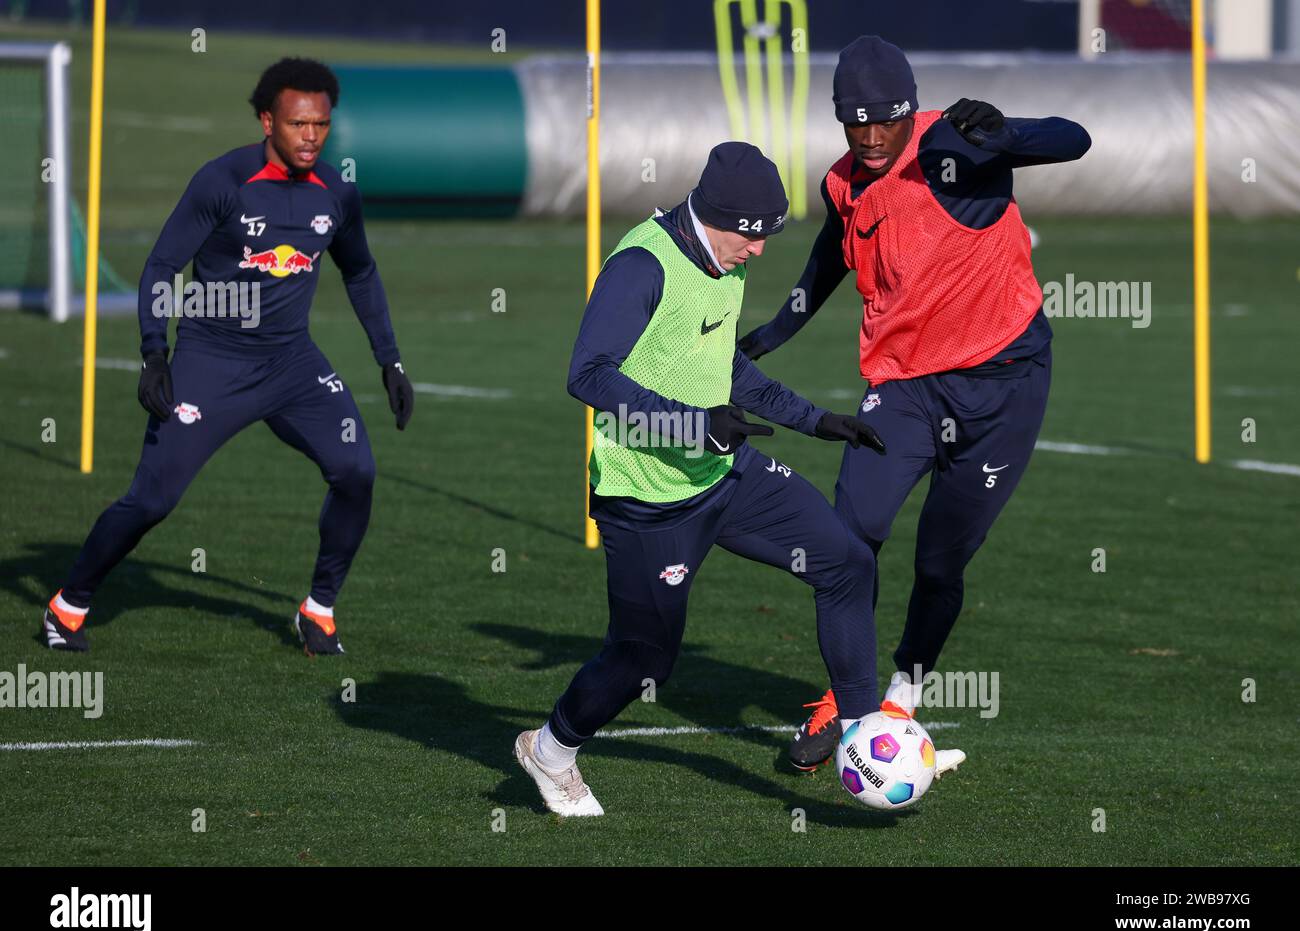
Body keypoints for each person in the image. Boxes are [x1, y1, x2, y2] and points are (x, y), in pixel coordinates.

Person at [513, 141, 963, 817]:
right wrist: (695, 427)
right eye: (751, 236)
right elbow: (587, 373)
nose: (757, 252)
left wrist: (819, 421)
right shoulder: (642, 265)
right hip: (648, 501)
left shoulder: (726, 257)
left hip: (726, 475)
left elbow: (728, 367)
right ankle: (548, 752)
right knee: (643, 661)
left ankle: (867, 734)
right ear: (713, 213)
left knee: (844, 561)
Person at [738, 36, 1091, 770]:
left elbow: (1075, 138)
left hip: (1003, 386)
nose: (870, 136)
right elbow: (832, 253)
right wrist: (772, 333)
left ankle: (905, 689)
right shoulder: (845, 179)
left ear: (910, 110)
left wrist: (1009, 134)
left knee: (939, 562)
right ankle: (848, 698)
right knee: (847, 536)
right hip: (903, 385)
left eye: (885, 120)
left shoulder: (953, 144)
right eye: (854, 121)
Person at [42, 57, 414, 656]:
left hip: (293, 364)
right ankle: (68, 605)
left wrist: (389, 361)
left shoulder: (338, 192)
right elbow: (161, 266)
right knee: (152, 500)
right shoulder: (224, 181)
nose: (311, 136)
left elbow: (361, 270)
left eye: (321, 124)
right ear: (268, 120)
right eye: (298, 124)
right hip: (210, 362)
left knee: (357, 471)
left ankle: (318, 611)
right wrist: (154, 354)